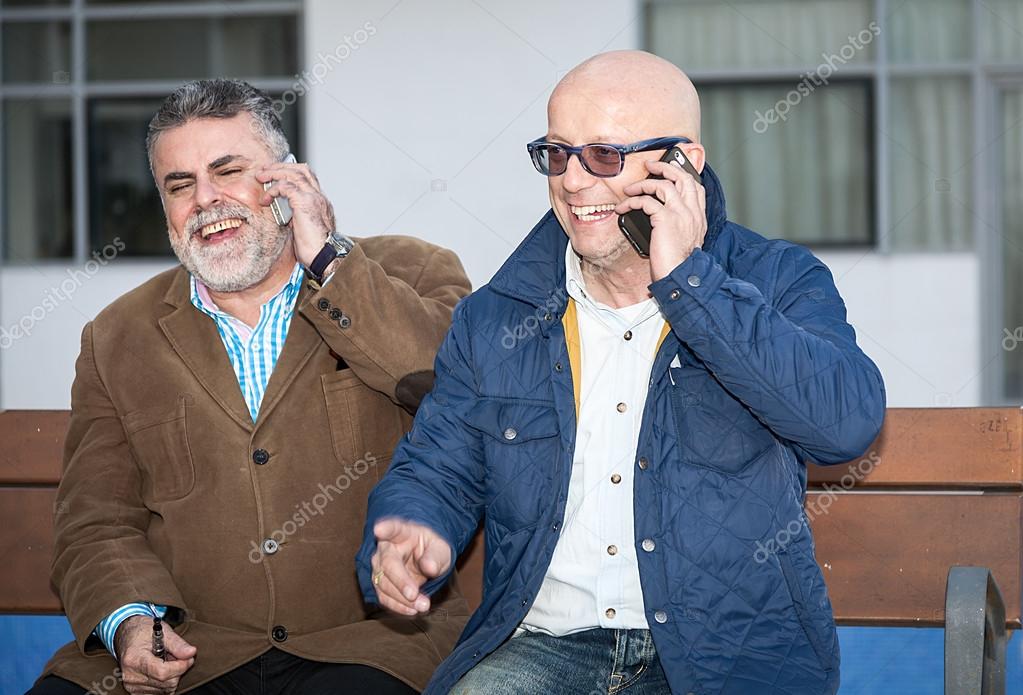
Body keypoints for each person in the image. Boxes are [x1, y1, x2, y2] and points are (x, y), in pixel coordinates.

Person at [357, 51, 886, 695]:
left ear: (682, 163)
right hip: (546, 649)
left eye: (604, 155)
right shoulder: (499, 315)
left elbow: (844, 427)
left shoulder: (776, 281)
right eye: (557, 154)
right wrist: (417, 527)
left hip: (725, 659)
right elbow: (441, 465)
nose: (573, 182)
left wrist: (692, 283)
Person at [30, 79, 471, 695]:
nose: (205, 201)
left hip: (368, 645)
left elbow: (448, 386)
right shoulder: (117, 336)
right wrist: (133, 623)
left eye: (228, 171)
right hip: (196, 654)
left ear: (289, 180)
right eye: (179, 186)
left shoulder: (411, 271)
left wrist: (330, 267)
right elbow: (96, 521)